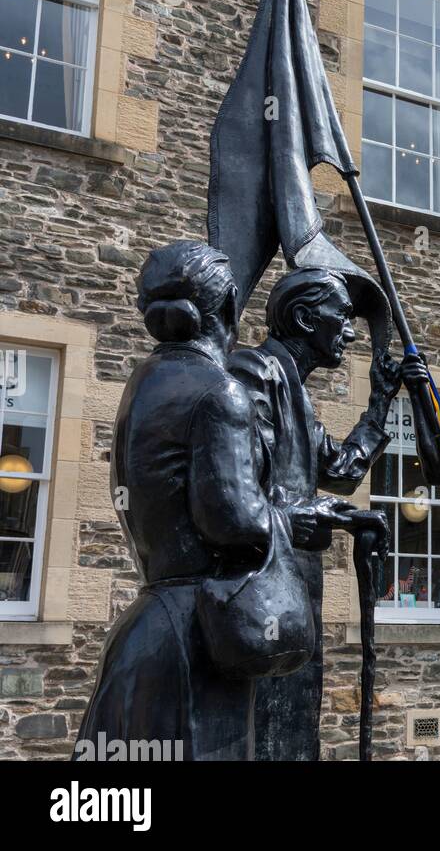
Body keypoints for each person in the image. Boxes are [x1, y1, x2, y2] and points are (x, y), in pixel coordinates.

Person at [75, 241, 290, 761]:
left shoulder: (144, 382)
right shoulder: (220, 392)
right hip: (194, 637)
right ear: (231, 304)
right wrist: (294, 517)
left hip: (146, 632)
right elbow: (234, 520)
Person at [228, 266, 425, 762]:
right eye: (341, 318)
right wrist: (333, 515)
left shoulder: (295, 390)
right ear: (302, 318)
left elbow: (339, 471)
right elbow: (241, 494)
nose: (352, 331)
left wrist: (380, 402)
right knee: (269, 728)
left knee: (297, 721)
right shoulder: (253, 375)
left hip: (295, 585)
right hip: (262, 585)